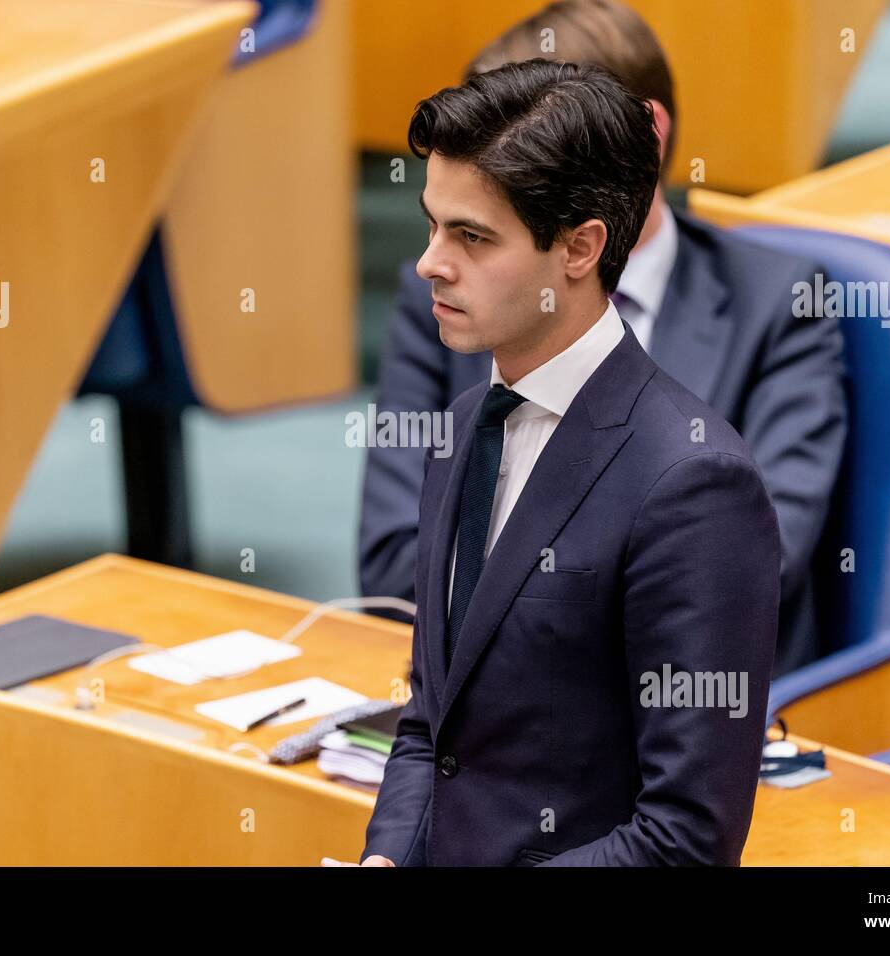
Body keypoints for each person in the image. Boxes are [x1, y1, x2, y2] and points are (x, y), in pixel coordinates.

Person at [336, 59, 779, 867]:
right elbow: (430, 724)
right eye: (433, 224)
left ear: (580, 249)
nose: (431, 262)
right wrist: (386, 859)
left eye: (471, 237)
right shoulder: (467, 424)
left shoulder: (694, 486)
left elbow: (684, 841)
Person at [358, 0, 846, 677]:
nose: (438, 257)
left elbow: (747, 573)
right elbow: (391, 564)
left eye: (526, 154)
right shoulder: (440, 292)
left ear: (646, 137)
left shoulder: (779, 307)